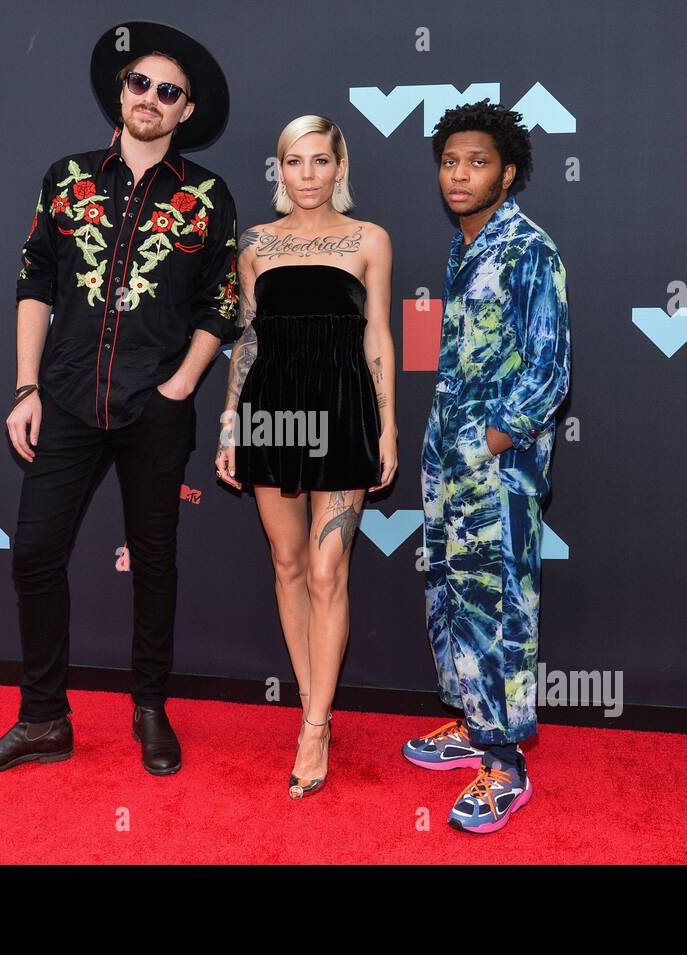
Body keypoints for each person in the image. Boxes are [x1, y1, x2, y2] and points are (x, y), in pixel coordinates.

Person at [0, 22, 240, 778]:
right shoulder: (66, 177)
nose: (151, 98)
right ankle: (44, 718)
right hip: (67, 398)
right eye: (140, 82)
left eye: (169, 91)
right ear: (121, 92)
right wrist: (26, 386)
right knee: (34, 555)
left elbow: (223, 301)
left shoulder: (207, 196)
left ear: (186, 111)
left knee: (155, 560)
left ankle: (150, 708)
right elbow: (35, 282)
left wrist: (181, 385)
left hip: (156, 405)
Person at [215, 115, 397, 798]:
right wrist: (230, 425)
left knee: (327, 570)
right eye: (295, 161)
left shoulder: (369, 238)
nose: (308, 174)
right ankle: (309, 700)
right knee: (289, 563)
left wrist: (388, 428)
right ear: (280, 169)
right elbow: (248, 339)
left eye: (321, 160)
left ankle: (315, 727)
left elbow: (378, 334)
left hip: (345, 409)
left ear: (340, 166)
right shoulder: (255, 243)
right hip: (272, 411)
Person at [401, 100, 570, 834]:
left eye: (477, 162)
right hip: (450, 457)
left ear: (508, 173)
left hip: (496, 470)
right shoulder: (464, 244)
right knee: (453, 592)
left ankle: (505, 765)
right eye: (450, 162)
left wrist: (489, 444)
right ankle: (474, 725)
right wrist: (451, 446)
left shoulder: (530, 249)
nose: (460, 175)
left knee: (497, 604)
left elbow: (549, 370)